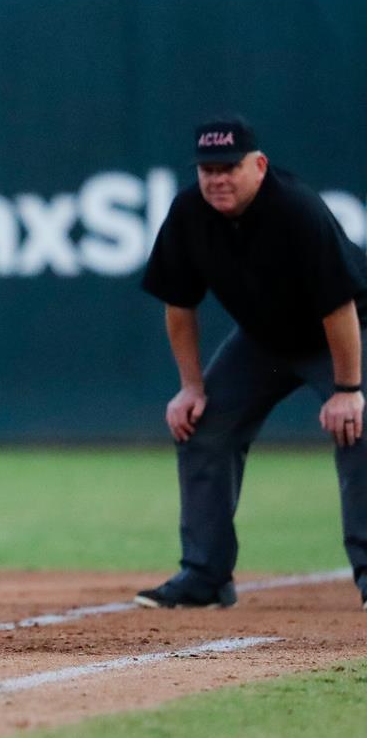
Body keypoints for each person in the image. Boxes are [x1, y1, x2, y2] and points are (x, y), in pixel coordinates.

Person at [136, 117, 367, 611]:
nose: (217, 179)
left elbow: (340, 306)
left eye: (229, 168)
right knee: (203, 429)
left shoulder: (295, 208)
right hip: (264, 340)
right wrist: (190, 387)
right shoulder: (189, 212)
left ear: (258, 165)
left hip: (343, 334)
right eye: (208, 169)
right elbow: (179, 305)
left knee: (358, 429)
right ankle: (205, 575)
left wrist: (348, 389)